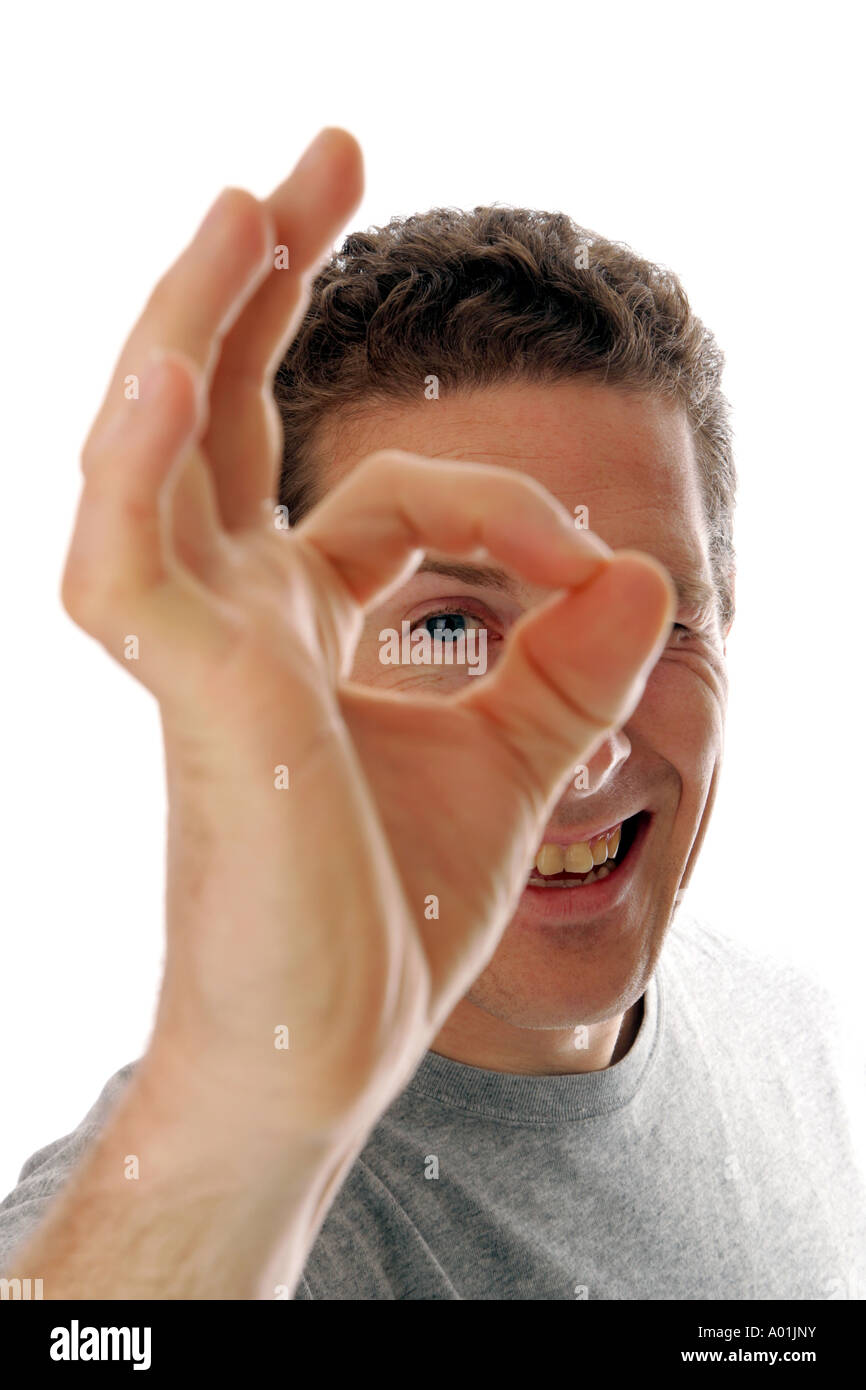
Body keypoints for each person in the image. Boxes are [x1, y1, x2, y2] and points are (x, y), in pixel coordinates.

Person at [1, 127, 862, 1301]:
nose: (589, 746)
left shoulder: (800, 1034)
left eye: (647, 613)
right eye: (452, 627)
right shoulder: (246, 1198)